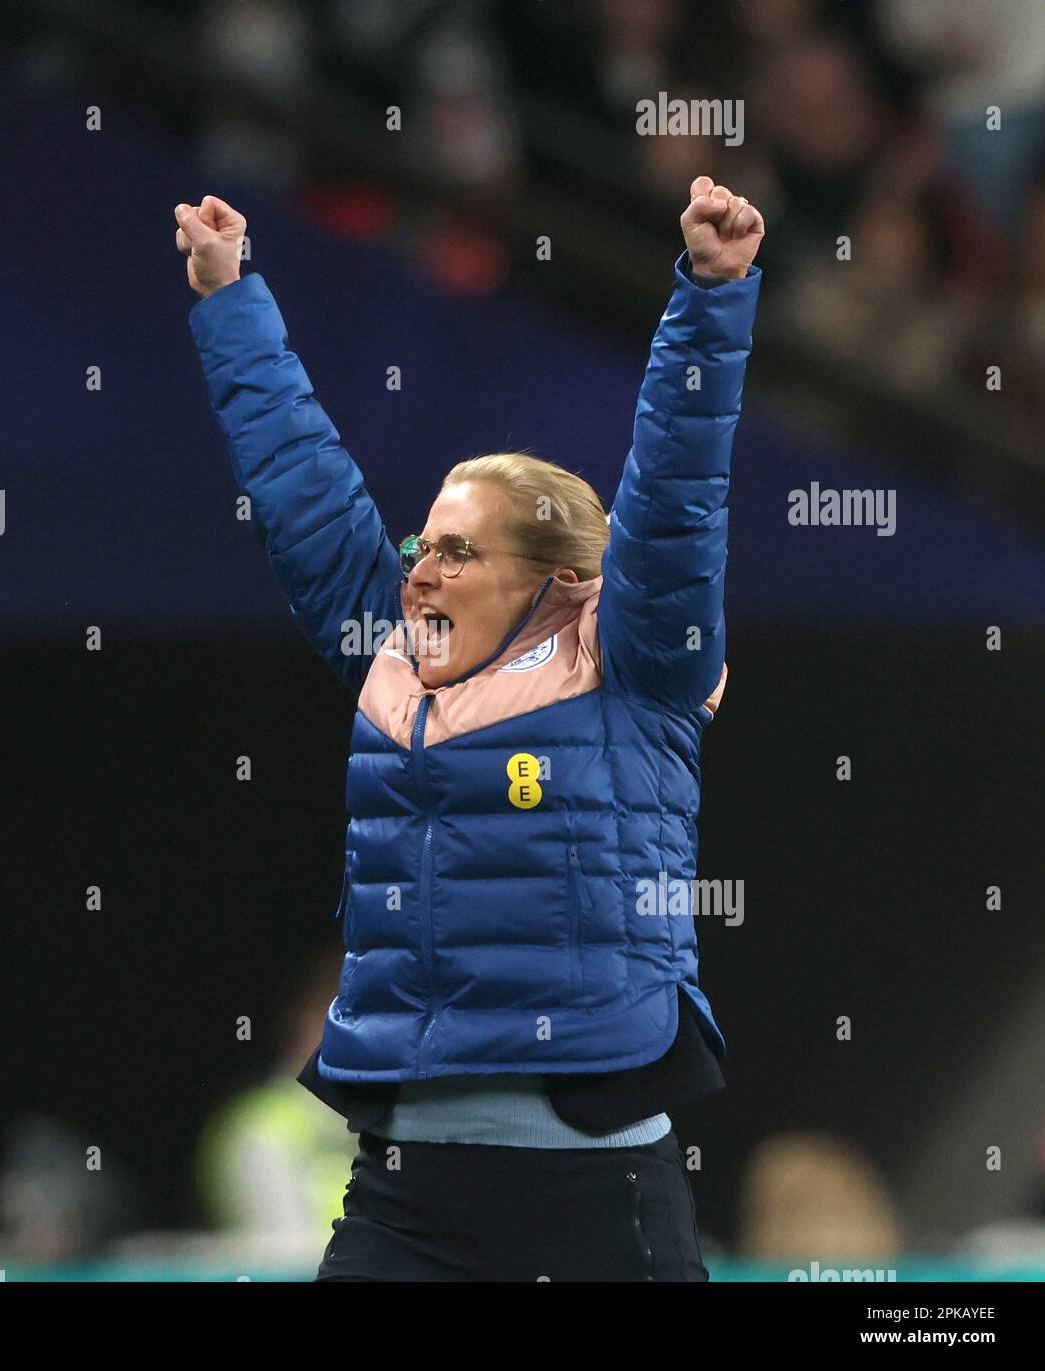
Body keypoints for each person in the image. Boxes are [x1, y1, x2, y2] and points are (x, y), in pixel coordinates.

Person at [178, 175, 764, 1281]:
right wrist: (230, 296)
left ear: (556, 582)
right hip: (408, 1194)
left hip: (597, 1200)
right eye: (421, 546)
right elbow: (302, 485)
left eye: (458, 551)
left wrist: (709, 292)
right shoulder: (392, 653)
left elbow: (679, 490)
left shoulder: (632, 665)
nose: (421, 570)